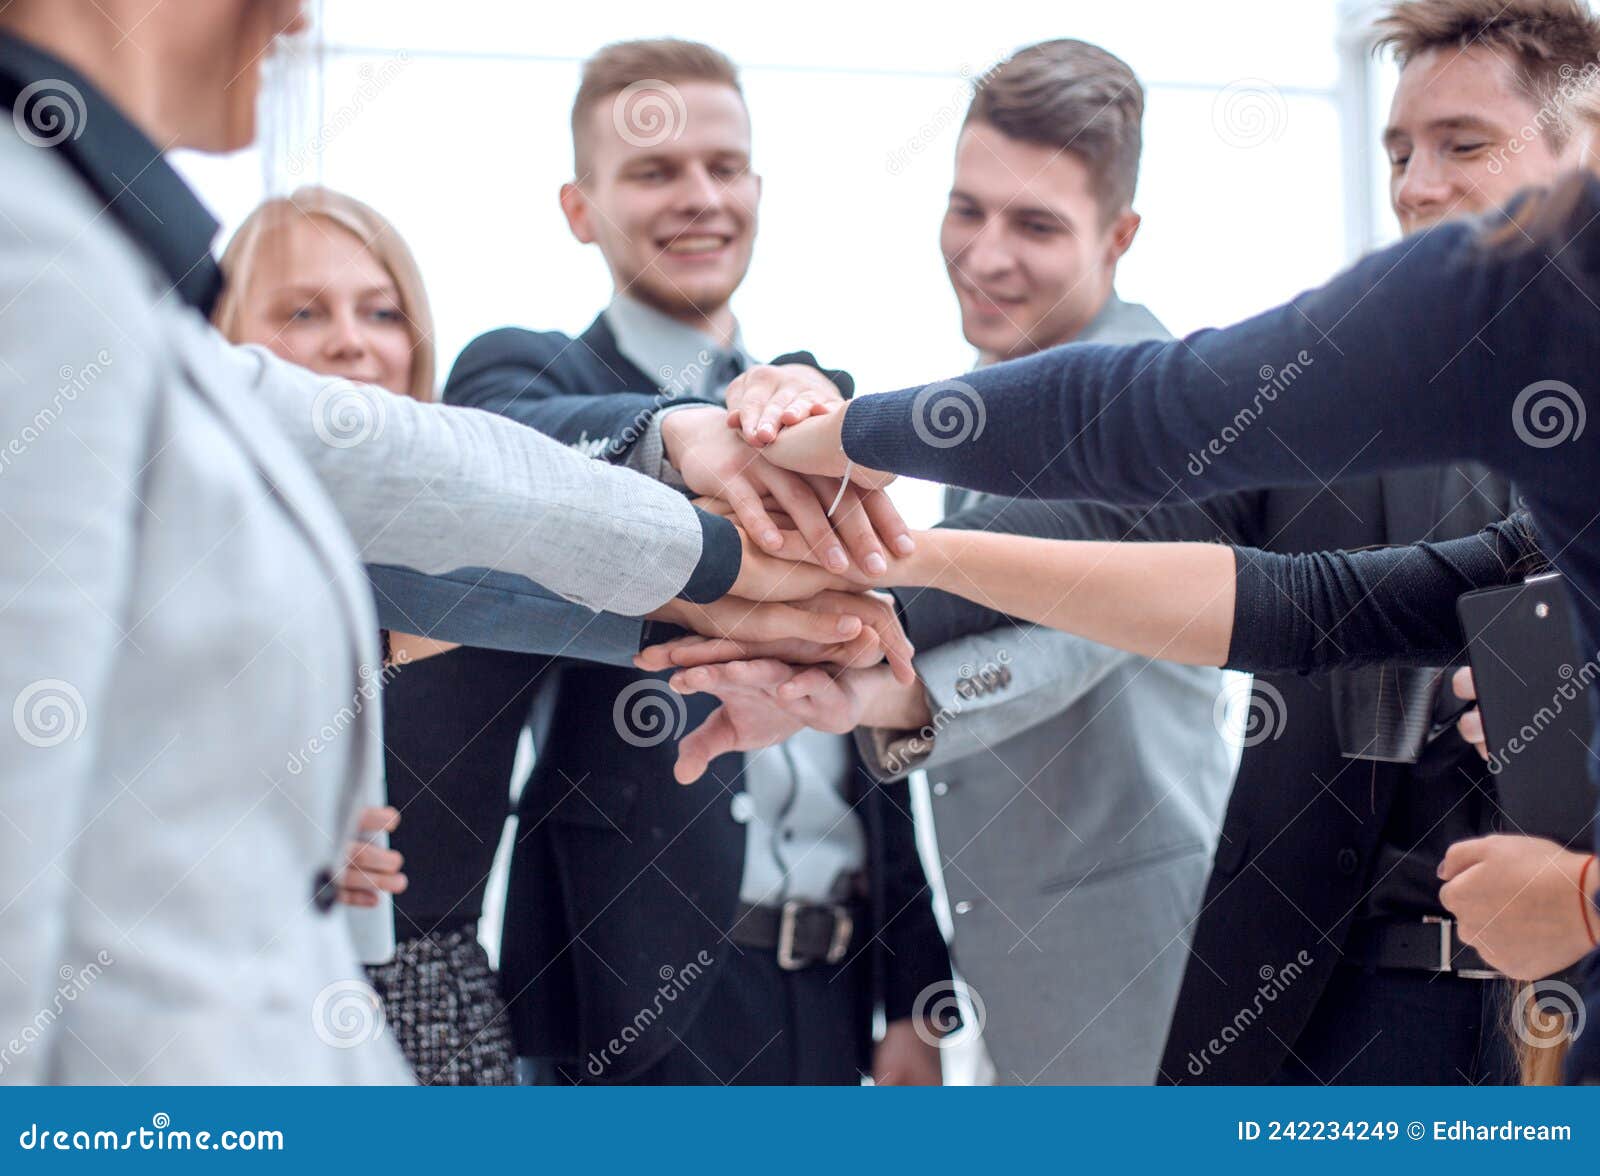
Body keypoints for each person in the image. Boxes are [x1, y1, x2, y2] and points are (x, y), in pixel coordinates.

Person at [688, 0, 1598, 1086]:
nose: (1412, 186)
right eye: (1398, 149)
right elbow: (1275, 583)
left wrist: (1581, 900)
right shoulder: (1419, 386)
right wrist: (889, 520)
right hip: (1332, 1016)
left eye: (1462, 145)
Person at [0, 0, 847, 1084]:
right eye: (304, 311)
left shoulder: (112, 285)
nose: (297, 17)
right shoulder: (38, 274)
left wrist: (711, 556)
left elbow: (423, 477)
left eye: (376, 311)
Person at [717, 39, 1241, 1086]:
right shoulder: (990, 401)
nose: (986, 254)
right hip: (1010, 972)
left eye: (1036, 225)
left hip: (1140, 963)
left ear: (1120, 234)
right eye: (968, 208)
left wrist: (881, 691)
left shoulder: (1147, 409)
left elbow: (1078, 639)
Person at [441, 39, 949, 1085]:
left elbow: (871, 670)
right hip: (629, 986)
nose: (700, 198)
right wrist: (679, 428)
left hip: (835, 991)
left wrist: (914, 990)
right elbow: (498, 446)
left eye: (723, 167)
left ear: (758, 188)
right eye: (653, 171)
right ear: (580, 207)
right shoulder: (529, 374)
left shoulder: (818, 406)